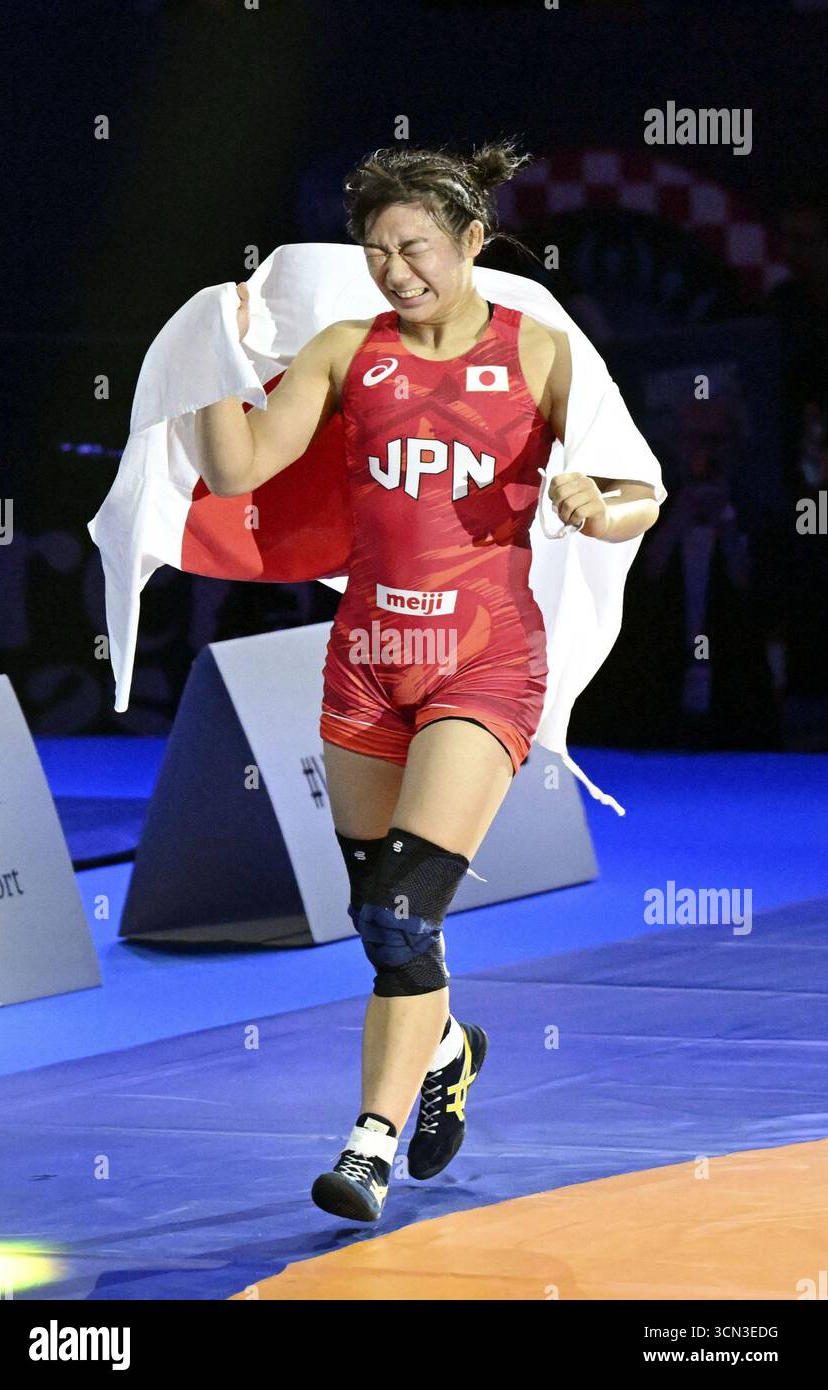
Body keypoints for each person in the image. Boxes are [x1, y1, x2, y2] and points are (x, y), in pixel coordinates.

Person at [195, 141, 662, 1222]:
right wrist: (205, 365)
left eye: (413, 247)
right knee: (380, 916)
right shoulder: (345, 351)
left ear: (470, 241)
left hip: (485, 661)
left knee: (405, 912)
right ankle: (450, 1044)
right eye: (375, 252)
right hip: (364, 664)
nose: (395, 270)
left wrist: (602, 509)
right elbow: (238, 470)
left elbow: (642, 489)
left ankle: (367, 1144)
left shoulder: (540, 353)